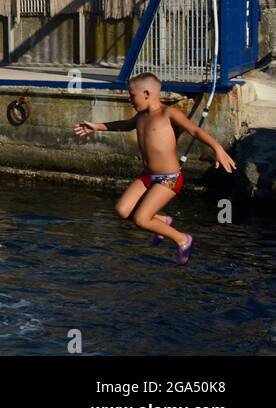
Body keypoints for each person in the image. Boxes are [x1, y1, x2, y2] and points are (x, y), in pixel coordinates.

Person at [75, 71, 236, 265]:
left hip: (169, 178)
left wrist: (217, 148)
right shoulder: (141, 116)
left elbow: (194, 130)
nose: (129, 99)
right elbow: (125, 125)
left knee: (142, 219)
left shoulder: (168, 113)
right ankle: (162, 221)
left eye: (132, 95)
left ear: (146, 94)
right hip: (148, 175)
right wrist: (97, 126)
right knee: (122, 210)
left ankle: (183, 239)